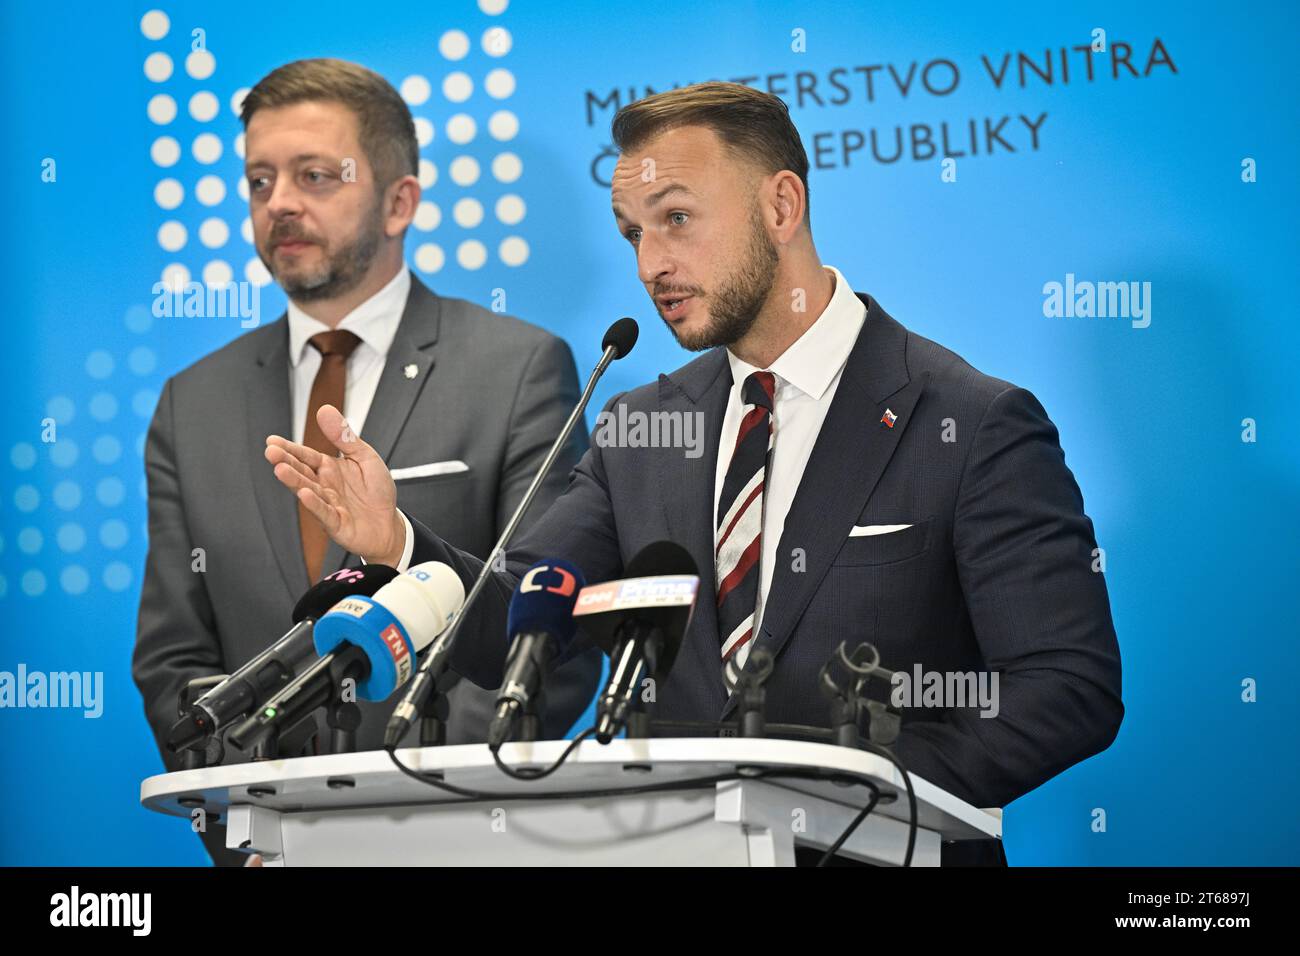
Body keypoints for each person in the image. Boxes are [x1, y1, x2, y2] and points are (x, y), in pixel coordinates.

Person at [265, 82, 1123, 865]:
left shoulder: (970, 421)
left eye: (676, 219)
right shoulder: (643, 425)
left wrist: (853, 786)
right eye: (634, 233)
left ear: (781, 204)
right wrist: (399, 542)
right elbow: (524, 616)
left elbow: (1068, 687)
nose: (649, 266)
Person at [133, 58, 600, 867]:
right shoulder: (190, 403)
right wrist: (264, 826)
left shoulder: (517, 368)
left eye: (315, 175)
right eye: (259, 180)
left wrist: (403, 824)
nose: (279, 201)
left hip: (458, 842)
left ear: (399, 201)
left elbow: (546, 633)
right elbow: (175, 660)